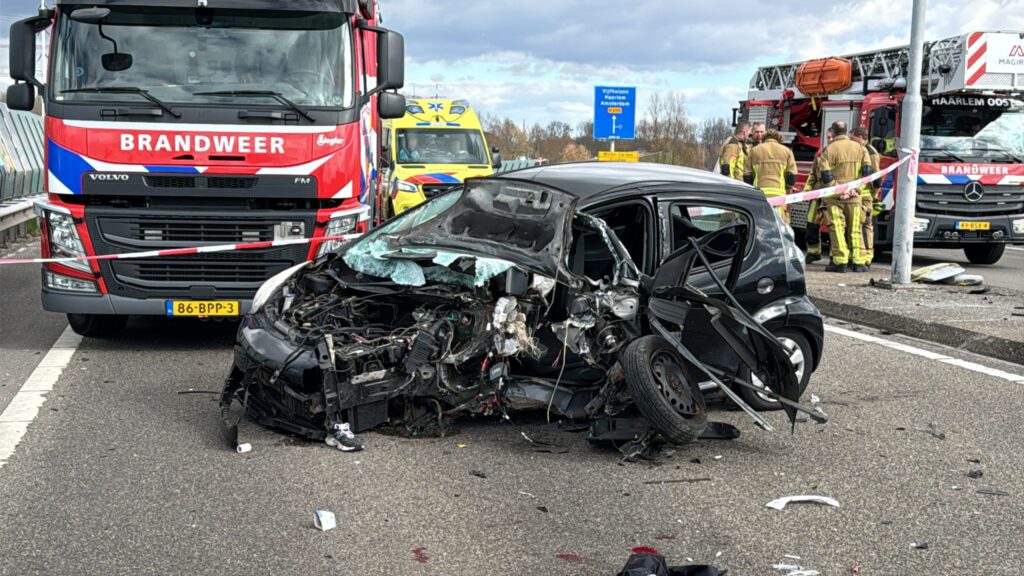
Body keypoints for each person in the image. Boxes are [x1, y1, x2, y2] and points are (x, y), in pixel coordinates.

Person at [817, 121, 873, 273]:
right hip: (855, 198)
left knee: (837, 230)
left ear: (833, 133)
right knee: (856, 229)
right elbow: (867, 172)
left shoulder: (828, 150)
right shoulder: (861, 148)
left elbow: (826, 175)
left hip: (835, 198)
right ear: (846, 131)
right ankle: (859, 262)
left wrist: (840, 191)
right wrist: (856, 189)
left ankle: (840, 262)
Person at [744, 129, 797, 223]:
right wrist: (788, 188)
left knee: (760, 224)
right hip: (779, 196)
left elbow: (747, 175)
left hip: (759, 195)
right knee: (778, 225)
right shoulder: (787, 151)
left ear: (764, 138)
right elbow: (792, 176)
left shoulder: (754, 151)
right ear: (778, 138)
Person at [851, 126, 881, 268]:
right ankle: (865, 257)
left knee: (863, 226)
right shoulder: (863, 150)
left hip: (865, 196)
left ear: (860, 137)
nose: (852, 141)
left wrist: (874, 197)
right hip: (861, 195)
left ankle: (866, 258)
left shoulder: (870, 152)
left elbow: (875, 177)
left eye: (853, 138)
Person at [803, 128, 834, 264]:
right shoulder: (820, 153)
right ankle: (813, 252)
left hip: (832, 194)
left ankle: (835, 254)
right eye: (828, 137)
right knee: (811, 223)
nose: (830, 140)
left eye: (832, 137)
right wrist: (807, 190)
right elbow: (813, 175)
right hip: (818, 193)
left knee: (834, 226)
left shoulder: (838, 153)